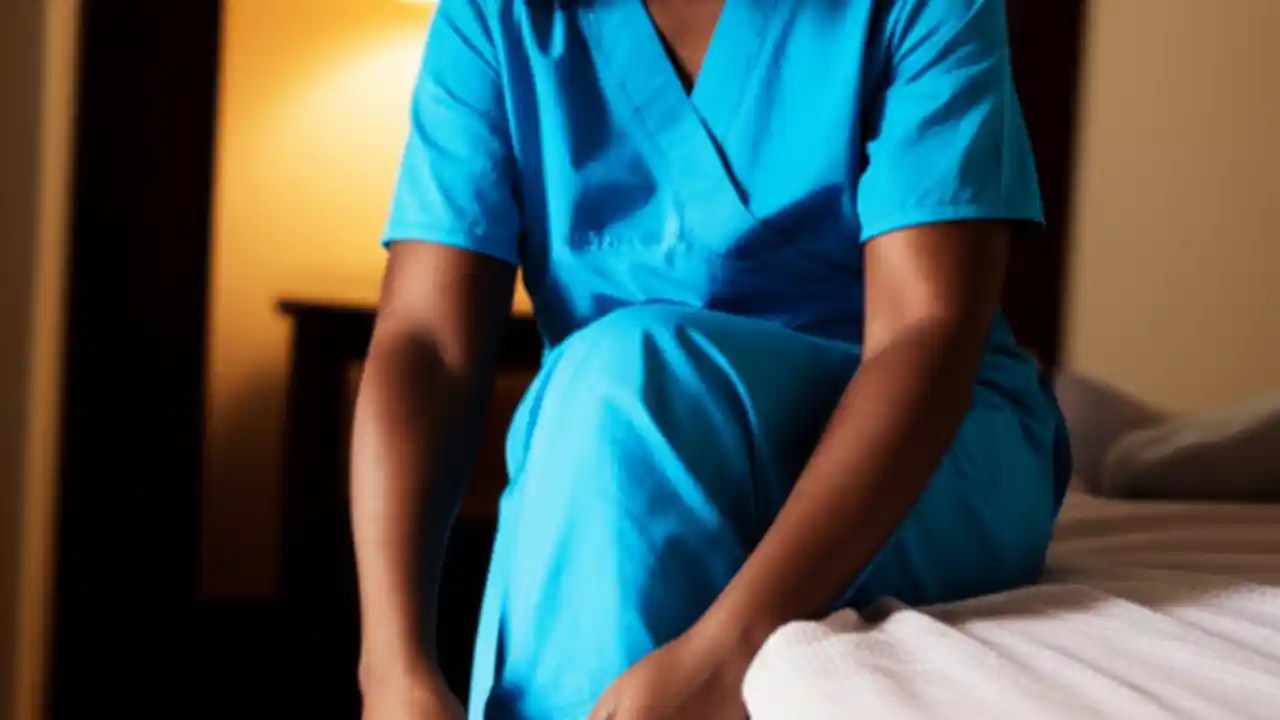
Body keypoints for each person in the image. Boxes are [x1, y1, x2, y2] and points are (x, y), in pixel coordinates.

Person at [351, 0, 1071, 717]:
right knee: (605, 427)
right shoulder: (495, 18)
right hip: (621, 458)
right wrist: (392, 667)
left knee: (625, 375)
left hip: (922, 446)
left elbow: (923, 332)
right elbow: (427, 341)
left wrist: (734, 644)